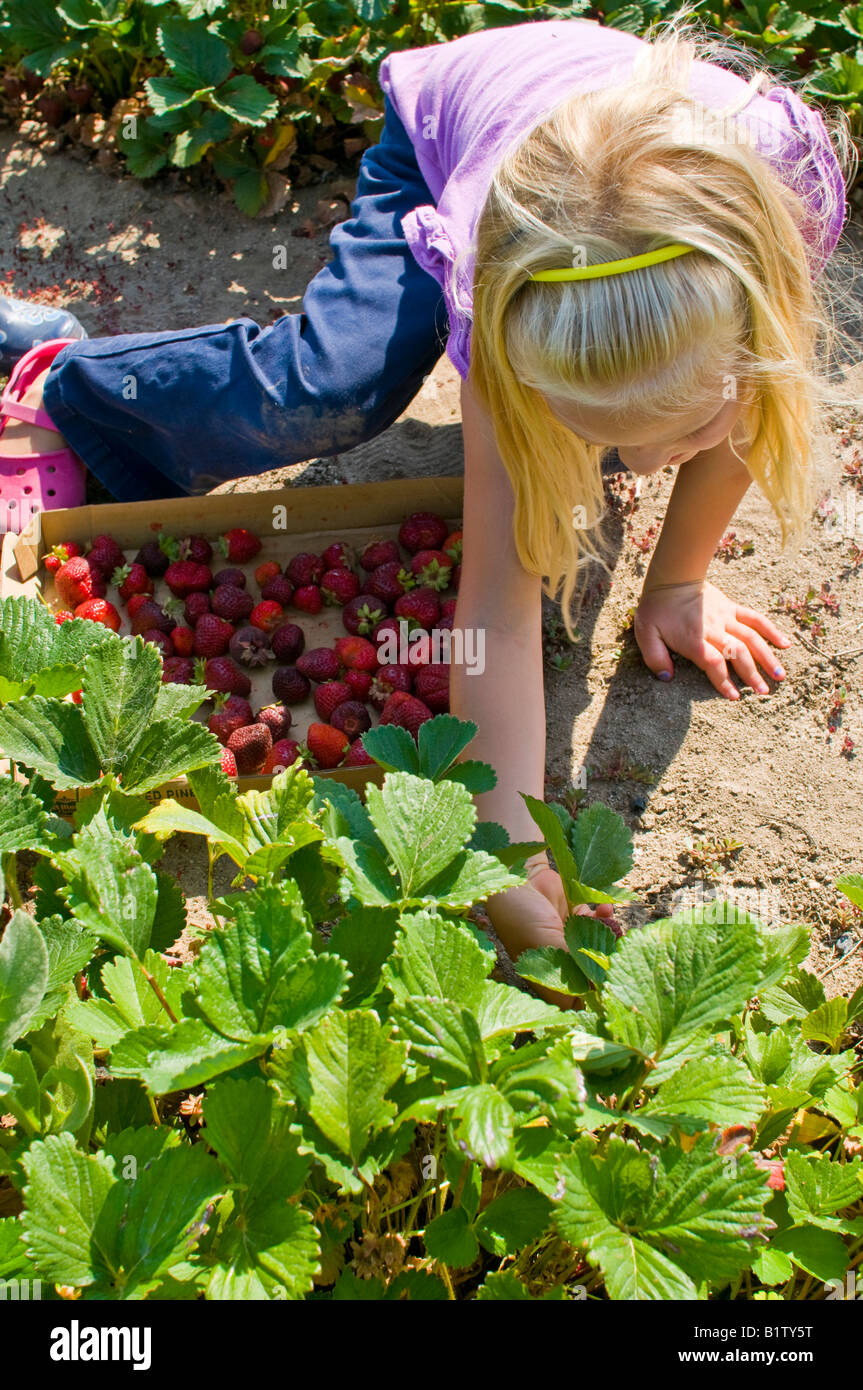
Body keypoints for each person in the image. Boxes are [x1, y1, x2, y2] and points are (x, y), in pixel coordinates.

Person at [0, 12, 857, 976]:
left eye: (684, 432)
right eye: (602, 437)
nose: (650, 468)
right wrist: (505, 850)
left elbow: (757, 404)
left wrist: (676, 582)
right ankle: (73, 382)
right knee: (331, 388)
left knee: (688, 413)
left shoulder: (770, 223)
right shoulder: (510, 287)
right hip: (456, 133)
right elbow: (495, 591)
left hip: (621, 188)